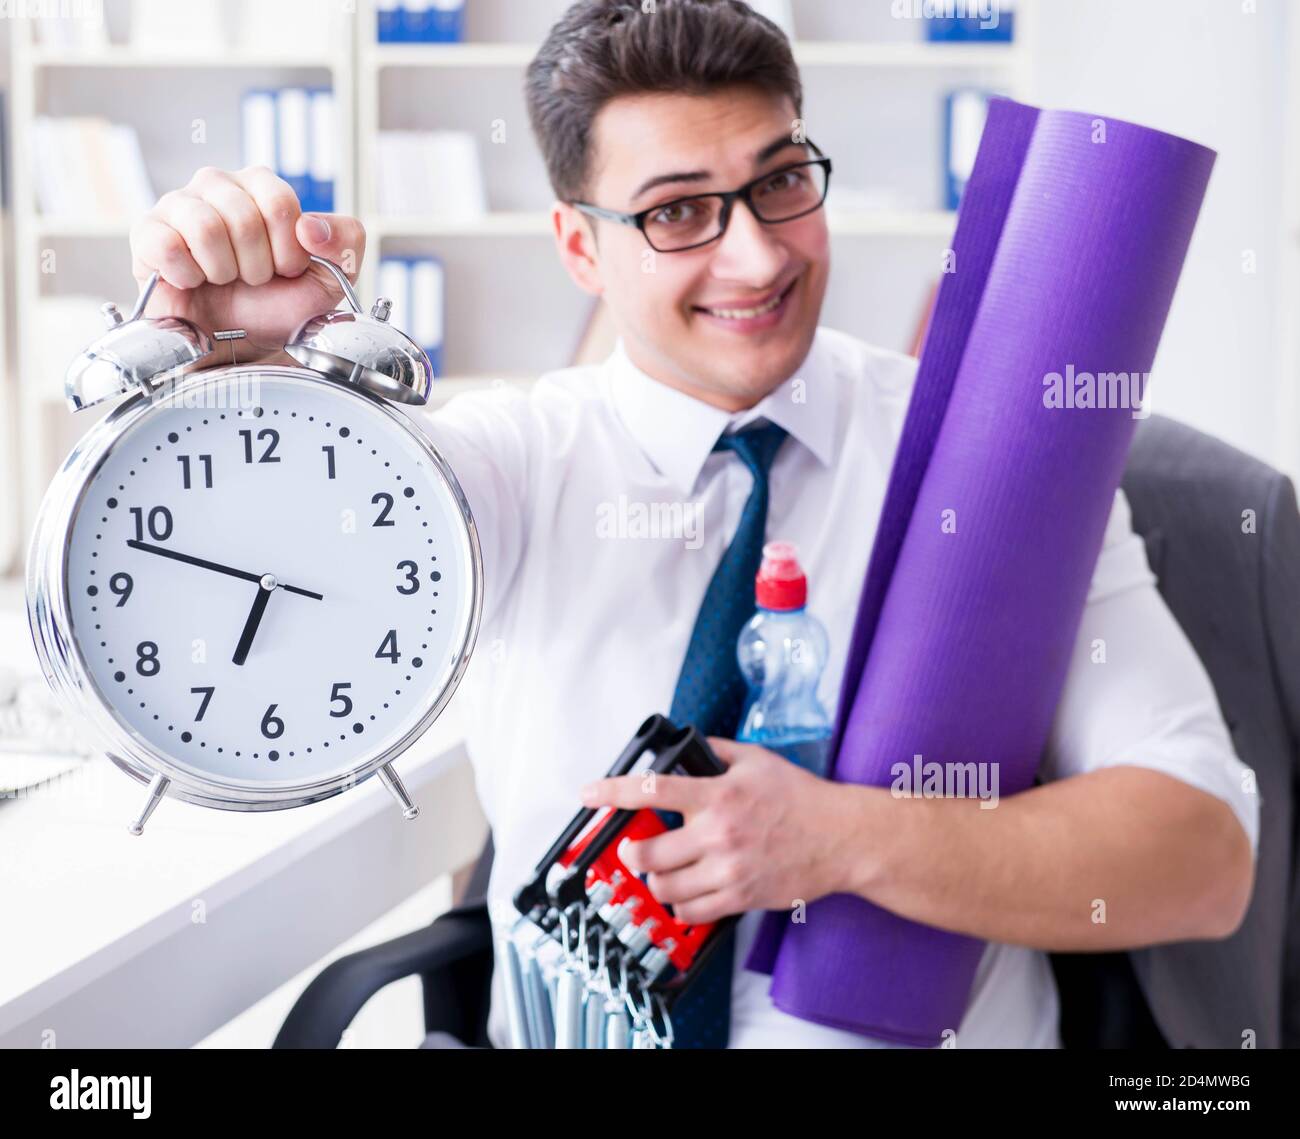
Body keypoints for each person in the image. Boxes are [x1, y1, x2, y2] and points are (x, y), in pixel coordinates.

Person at [128, 0, 1256, 1048]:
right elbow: (249, 583)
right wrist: (236, 375)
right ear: (578, 246)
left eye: (780, 183)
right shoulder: (509, 464)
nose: (758, 255)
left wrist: (840, 836)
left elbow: (1205, 859)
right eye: (677, 211)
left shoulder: (998, 455)